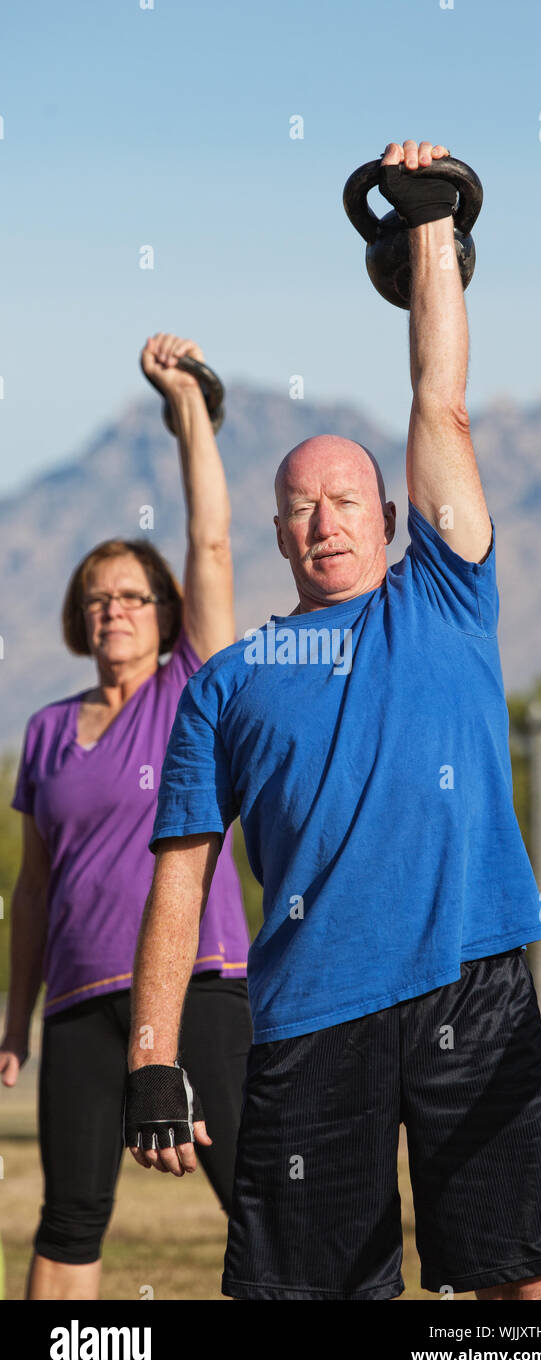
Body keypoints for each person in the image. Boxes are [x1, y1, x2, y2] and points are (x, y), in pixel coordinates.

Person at [125, 145, 541, 1301]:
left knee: (519, 1281)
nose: (325, 521)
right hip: (311, 1019)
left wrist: (428, 220)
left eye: (345, 501)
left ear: (387, 517)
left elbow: (436, 397)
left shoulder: (441, 592)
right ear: (279, 537)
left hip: (468, 985)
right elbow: (181, 879)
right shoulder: (227, 683)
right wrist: (150, 1060)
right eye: (300, 509)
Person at [1, 333, 252, 1301]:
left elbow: (213, 542)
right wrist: (14, 1020)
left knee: (256, 1197)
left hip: (200, 985)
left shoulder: (191, 685)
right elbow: (32, 890)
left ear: (167, 613)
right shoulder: (47, 730)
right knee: (67, 1219)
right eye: (97, 597)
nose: (113, 610)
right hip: (75, 1007)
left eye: (133, 596)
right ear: (78, 615)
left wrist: (187, 405)